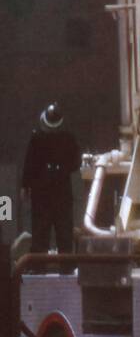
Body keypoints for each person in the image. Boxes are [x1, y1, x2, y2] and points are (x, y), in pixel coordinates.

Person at [21, 104, 82, 255]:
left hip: (41, 192)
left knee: (41, 230)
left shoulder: (37, 138)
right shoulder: (68, 138)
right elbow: (76, 163)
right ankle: (66, 266)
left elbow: (29, 164)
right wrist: (62, 170)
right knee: (64, 230)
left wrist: (25, 186)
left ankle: (38, 266)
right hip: (62, 191)